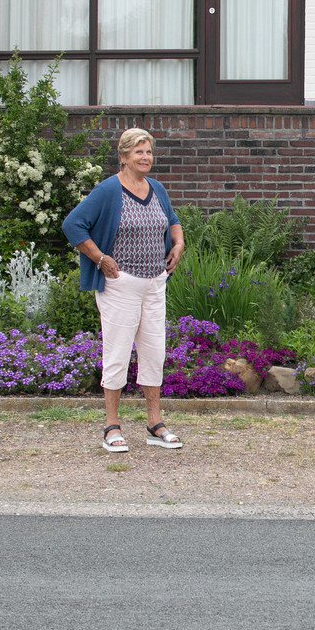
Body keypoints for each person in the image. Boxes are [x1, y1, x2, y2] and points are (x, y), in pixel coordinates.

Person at [63, 128, 185, 453]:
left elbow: (172, 220)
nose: (145, 158)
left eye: (148, 152)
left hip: (155, 283)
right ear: (123, 156)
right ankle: (111, 426)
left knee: (154, 352)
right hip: (121, 285)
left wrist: (179, 242)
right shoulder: (108, 191)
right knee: (116, 353)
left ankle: (154, 424)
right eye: (138, 152)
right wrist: (100, 258)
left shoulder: (156, 188)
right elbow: (72, 224)